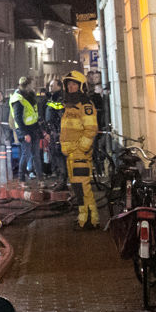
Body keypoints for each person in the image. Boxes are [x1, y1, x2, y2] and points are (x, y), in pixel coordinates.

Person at [58, 70, 102, 228]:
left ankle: (91, 219)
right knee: (77, 188)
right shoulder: (69, 107)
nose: (70, 87)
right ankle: (84, 217)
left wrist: (81, 149)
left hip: (79, 154)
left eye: (74, 84)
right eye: (68, 85)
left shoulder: (86, 105)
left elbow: (91, 130)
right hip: (72, 155)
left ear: (81, 86)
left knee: (83, 187)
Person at [8, 75, 41, 178]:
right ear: (27, 86)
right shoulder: (18, 98)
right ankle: (21, 178)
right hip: (25, 130)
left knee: (36, 155)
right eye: (32, 84)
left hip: (33, 128)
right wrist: (25, 133)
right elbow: (18, 118)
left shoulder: (30, 96)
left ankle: (40, 178)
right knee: (26, 154)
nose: (34, 86)